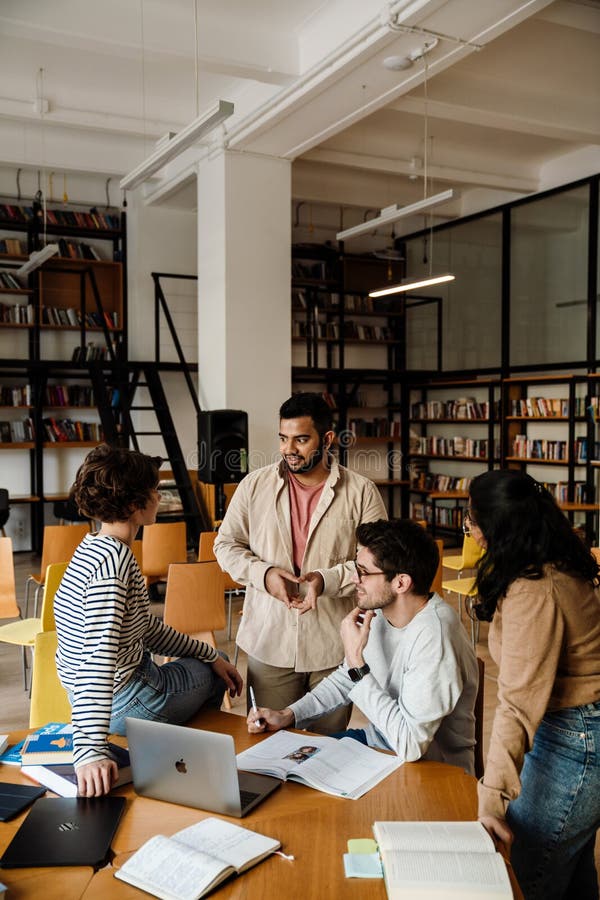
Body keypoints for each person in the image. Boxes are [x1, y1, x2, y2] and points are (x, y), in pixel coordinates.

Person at [54, 444, 243, 798]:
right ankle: (185, 765)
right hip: (127, 699)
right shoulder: (114, 567)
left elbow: (146, 629)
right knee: (223, 668)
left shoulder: (94, 548)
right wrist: (89, 749)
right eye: (154, 490)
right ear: (133, 505)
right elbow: (99, 656)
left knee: (215, 661)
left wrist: (207, 653)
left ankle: (175, 753)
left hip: (93, 697)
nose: (159, 496)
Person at [214, 392, 387, 733]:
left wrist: (325, 580)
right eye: (283, 438)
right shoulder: (253, 486)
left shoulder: (362, 492)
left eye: (301, 439)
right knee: (266, 750)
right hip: (270, 642)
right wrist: (263, 575)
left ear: (326, 439)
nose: (289, 449)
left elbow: (380, 563)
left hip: (335, 648)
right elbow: (225, 545)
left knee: (326, 755)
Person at [247, 518, 479, 772]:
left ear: (401, 583)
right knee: (273, 767)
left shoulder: (435, 637)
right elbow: (347, 678)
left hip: (431, 770)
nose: (354, 579)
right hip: (378, 746)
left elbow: (410, 745)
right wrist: (289, 714)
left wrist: (357, 662)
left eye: (364, 572)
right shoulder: (380, 612)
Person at [467, 469, 600, 900]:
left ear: (498, 526)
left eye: (472, 519)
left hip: (575, 740)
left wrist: (491, 799)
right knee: (571, 874)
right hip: (577, 729)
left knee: (525, 881)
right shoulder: (553, 562)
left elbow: (517, 705)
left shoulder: (535, 590)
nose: (469, 529)